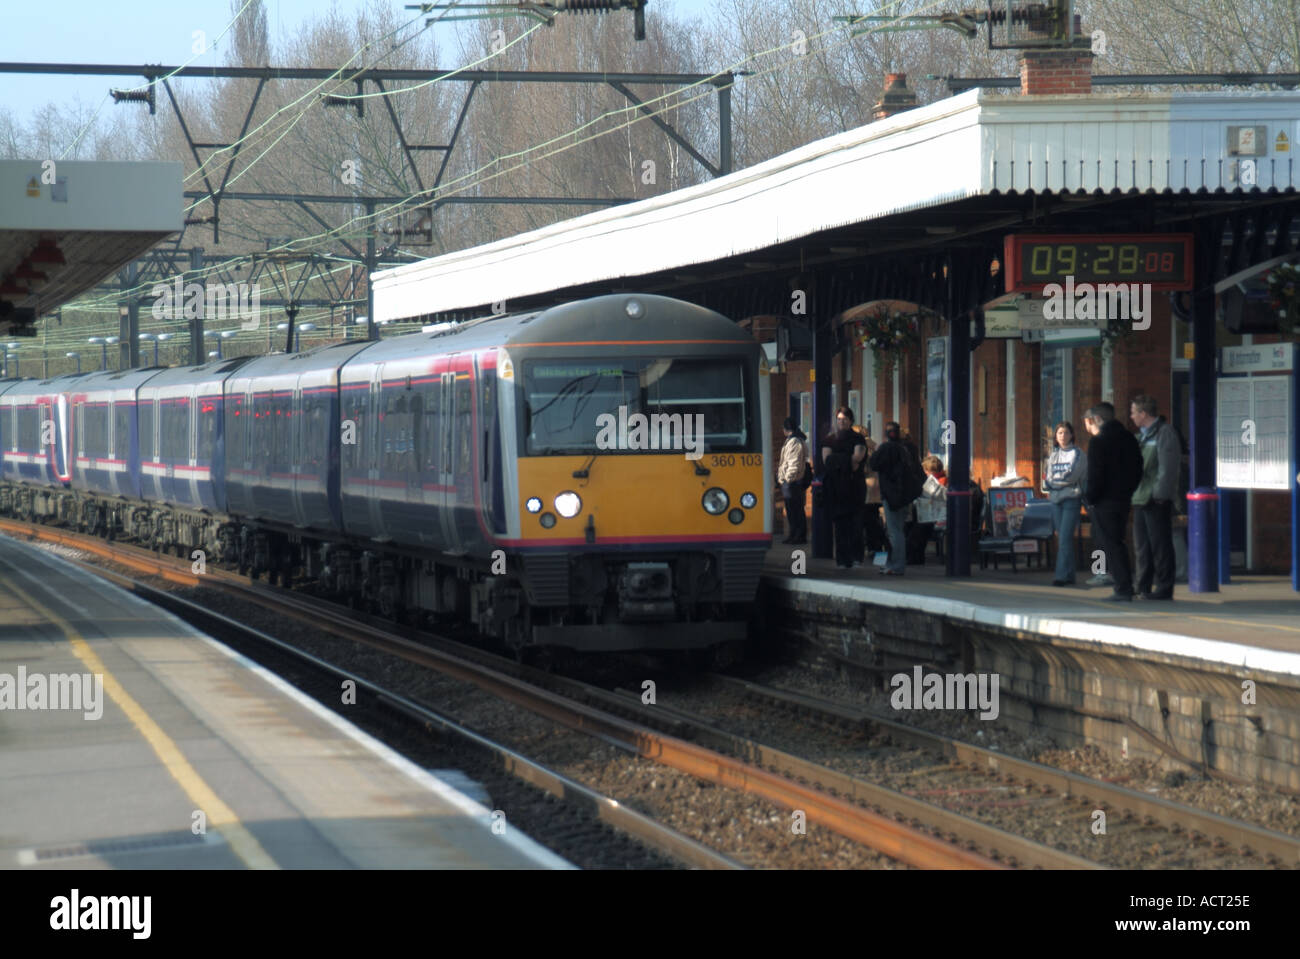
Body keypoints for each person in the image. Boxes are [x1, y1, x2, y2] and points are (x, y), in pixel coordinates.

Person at [1082, 403, 1143, 601]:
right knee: (1119, 542)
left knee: (1108, 543)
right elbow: (1137, 469)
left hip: (1103, 501)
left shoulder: (1098, 442)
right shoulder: (1129, 438)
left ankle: (1122, 586)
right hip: (1124, 499)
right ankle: (1124, 583)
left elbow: (1095, 474)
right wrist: (1128, 490)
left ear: (1097, 419)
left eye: (1089, 423)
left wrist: (1089, 497)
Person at [1129, 395, 1180, 600]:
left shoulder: (1164, 433)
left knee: (1160, 545)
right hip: (1140, 496)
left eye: (1133, 412)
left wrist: (1160, 494)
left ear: (1143, 414)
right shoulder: (1141, 436)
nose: (1131, 416)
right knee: (1142, 546)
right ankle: (1143, 585)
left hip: (1155, 498)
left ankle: (1164, 587)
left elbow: (1168, 468)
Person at [869, 421, 924, 576]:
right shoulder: (908, 449)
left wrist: (875, 450)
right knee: (899, 529)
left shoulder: (886, 448)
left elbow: (873, 464)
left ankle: (897, 565)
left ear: (886, 434)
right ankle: (894, 563)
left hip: (891, 494)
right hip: (906, 495)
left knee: (894, 531)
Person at [820, 407, 867, 569]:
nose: (842, 422)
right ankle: (842, 559)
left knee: (856, 524)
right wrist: (847, 460)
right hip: (835, 488)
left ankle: (856, 558)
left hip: (855, 487)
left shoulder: (858, 438)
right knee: (840, 525)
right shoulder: (829, 440)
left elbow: (857, 460)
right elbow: (827, 461)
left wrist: (837, 460)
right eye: (839, 419)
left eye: (845, 419)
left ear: (851, 421)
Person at [1042, 421, 1087, 586]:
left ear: (1072, 435)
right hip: (1055, 501)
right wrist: (1056, 483)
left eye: (1066, 433)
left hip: (1071, 499)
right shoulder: (1053, 456)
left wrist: (1056, 483)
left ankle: (1060, 576)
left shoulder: (1078, 454)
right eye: (1060, 433)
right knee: (1062, 538)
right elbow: (1047, 479)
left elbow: (1072, 477)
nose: (1063, 436)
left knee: (1065, 538)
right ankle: (1069, 575)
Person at [909, 454, 948, 564]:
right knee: (918, 528)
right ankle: (917, 557)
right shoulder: (942, 480)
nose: (925, 474)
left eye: (926, 471)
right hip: (934, 517)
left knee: (916, 530)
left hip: (937, 518)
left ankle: (915, 557)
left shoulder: (940, 482)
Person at [777, 418, 809, 545]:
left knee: (795, 509)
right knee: (793, 509)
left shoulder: (794, 441)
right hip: (792, 481)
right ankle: (794, 534)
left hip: (792, 481)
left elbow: (793, 462)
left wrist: (787, 479)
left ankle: (798, 535)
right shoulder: (793, 440)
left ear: (785, 429)